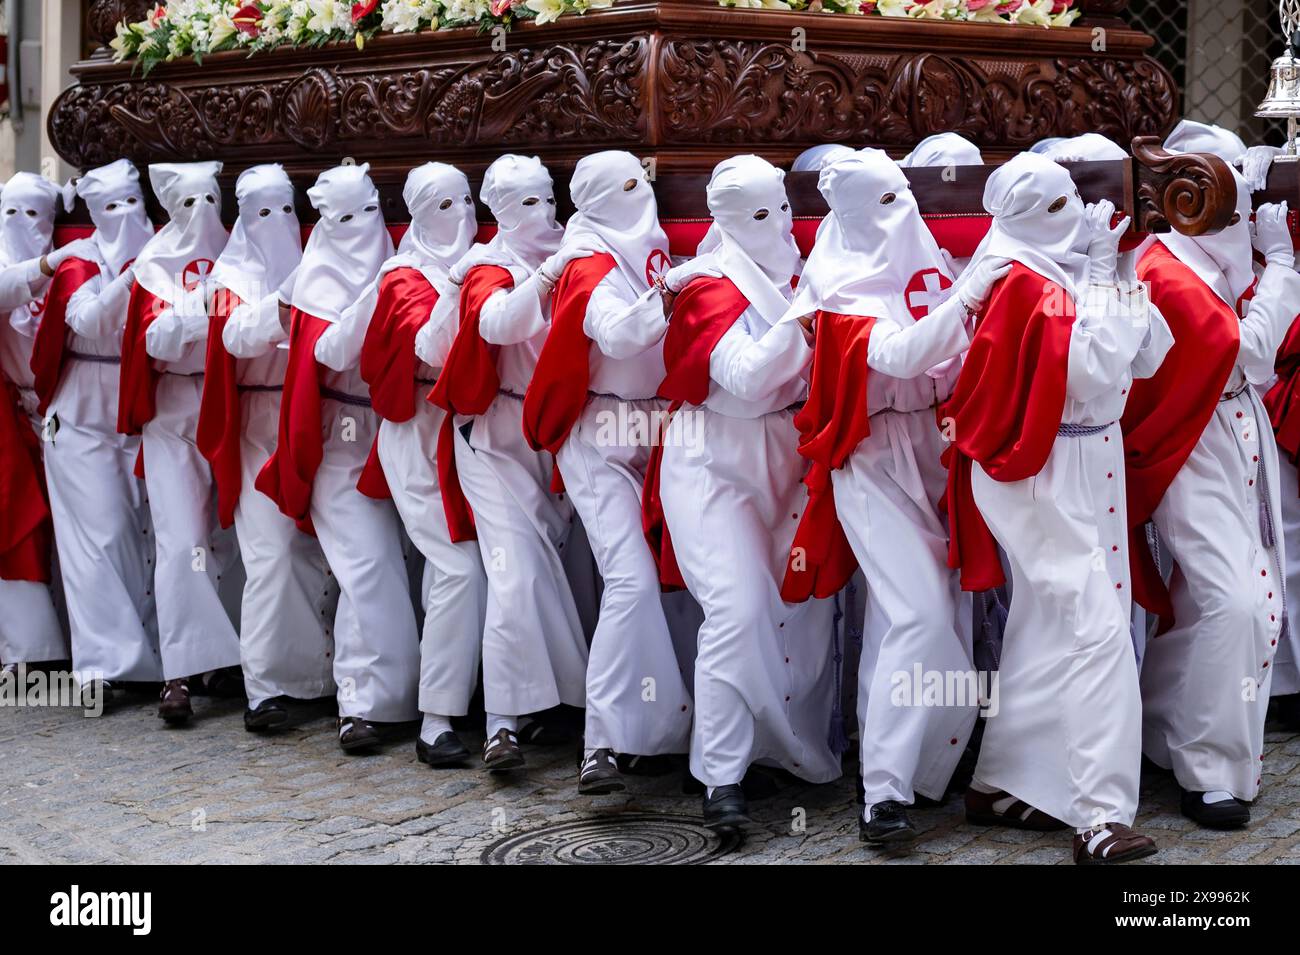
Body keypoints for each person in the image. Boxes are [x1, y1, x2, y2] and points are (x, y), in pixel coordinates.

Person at [943, 152, 1171, 864]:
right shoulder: (1021, 280)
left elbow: (1149, 356)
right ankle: (1099, 814)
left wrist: (1123, 270)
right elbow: (1096, 366)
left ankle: (1001, 782)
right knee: (1097, 629)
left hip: (1088, 456)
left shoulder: (1066, 267)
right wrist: (1102, 274)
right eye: (1066, 197)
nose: (1082, 206)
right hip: (1038, 464)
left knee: (1049, 626)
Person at [781, 149, 1008, 844]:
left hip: (937, 452)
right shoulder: (836, 283)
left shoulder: (926, 257)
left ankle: (907, 773)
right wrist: (969, 296)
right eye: (883, 202)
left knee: (925, 615)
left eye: (901, 194)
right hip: (873, 457)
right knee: (916, 613)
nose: (900, 211)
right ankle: (884, 790)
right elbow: (904, 355)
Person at [649, 154, 841, 830]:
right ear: (728, 222)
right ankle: (720, 775)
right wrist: (808, 314)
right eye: (762, 215)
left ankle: (781, 750)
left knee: (799, 608)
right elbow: (749, 377)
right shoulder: (707, 287)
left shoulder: (802, 274)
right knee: (735, 607)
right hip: (713, 460)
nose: (781, 225)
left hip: (788, 454)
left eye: (784, 208)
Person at [1124, 120, 1300, 829]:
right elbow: (1249, 354)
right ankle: (1208, 766)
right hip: (1188, 441)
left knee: (1207, 602)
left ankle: (1161, 726)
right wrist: (1285, 267)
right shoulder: (1167, 268)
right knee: (1239, 601)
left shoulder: (1209, 258)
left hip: (1231, 427)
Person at [522, 150, 693, 792]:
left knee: (674, 580)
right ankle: (602, 741)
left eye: (639, 183)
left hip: (655, 425)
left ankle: (656, 734)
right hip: (599, 431)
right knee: (630, 579)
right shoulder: (587, 260)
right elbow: (619, 337)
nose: (638, 195)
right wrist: (674, 291)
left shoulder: (646, 244)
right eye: (622, 187)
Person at [314, 162, 487, 767]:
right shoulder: (403, 276)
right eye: (443, 204)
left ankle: (503, 709)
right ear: (415, 213)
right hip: (416, 430)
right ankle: (435, 716)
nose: (460, 214)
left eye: (466, 199)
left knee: (483, 565)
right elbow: (337, 347)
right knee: (457, 566)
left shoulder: (476, 260)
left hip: (478, 431)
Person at [425, 154, 593, 773]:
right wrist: (548, 274)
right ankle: (501, 725)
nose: (541, 212)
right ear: (496, 210)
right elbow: (497, 325)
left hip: (558, 430)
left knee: (568, 570)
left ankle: (568, 707)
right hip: (495, 435)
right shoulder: (488, 264)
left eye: (545, 197)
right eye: (523, 202)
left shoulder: (577, 243)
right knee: (514, 571)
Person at [256, 163, 421, 753]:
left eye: (368, 213)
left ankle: (426, 698)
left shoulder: (402, 252)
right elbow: (324, 351)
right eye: (344, 218)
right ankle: (363, 703)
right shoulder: (314, 278)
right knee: (366, 563)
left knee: (410, 562)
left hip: (402, 428)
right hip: (339, 436)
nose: (360, 229)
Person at [191, 163, 336, 732]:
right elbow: (231, 335)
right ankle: (265, 687)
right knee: (269, 553)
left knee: (317, 550)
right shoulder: (226, 278)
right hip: (256, 421)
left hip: (316, 415)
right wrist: (279, 307)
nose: (276, 222)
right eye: (262, 212)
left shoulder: (319, 257)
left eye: (284, 209)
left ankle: (319, 679)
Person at [120, 161, 242, 724]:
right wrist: (205, 308)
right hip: (171, 411)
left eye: (210, 200)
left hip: (230, 403)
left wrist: (219, 309)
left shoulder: (242, 251)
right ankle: (179, 672)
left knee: (230, 534)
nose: (202, 214)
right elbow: (157, 340)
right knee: (181, 537)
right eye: (189, 203)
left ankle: (229, 656)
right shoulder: (152, 265)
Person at [32, 159, 159, 700]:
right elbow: (88, 321)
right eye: (112, 206)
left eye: (133, 202)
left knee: (145, 535)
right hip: (81, 411)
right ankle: (104, 665)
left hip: (141, 401)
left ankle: (154, 657)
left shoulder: (164, 246)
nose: (126, 215)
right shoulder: (80, 260)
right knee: (97, 537)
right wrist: (134, 274)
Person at [0, 173, 81, 670]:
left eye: (35, 214)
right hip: (14, 411)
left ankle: (83, 641)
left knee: (85, 531)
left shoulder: (75, 259)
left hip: (71, 406)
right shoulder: (29, 263)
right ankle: (31, 647)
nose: (22, 224)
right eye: (12, 213)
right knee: (20, 522)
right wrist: (45, 266)